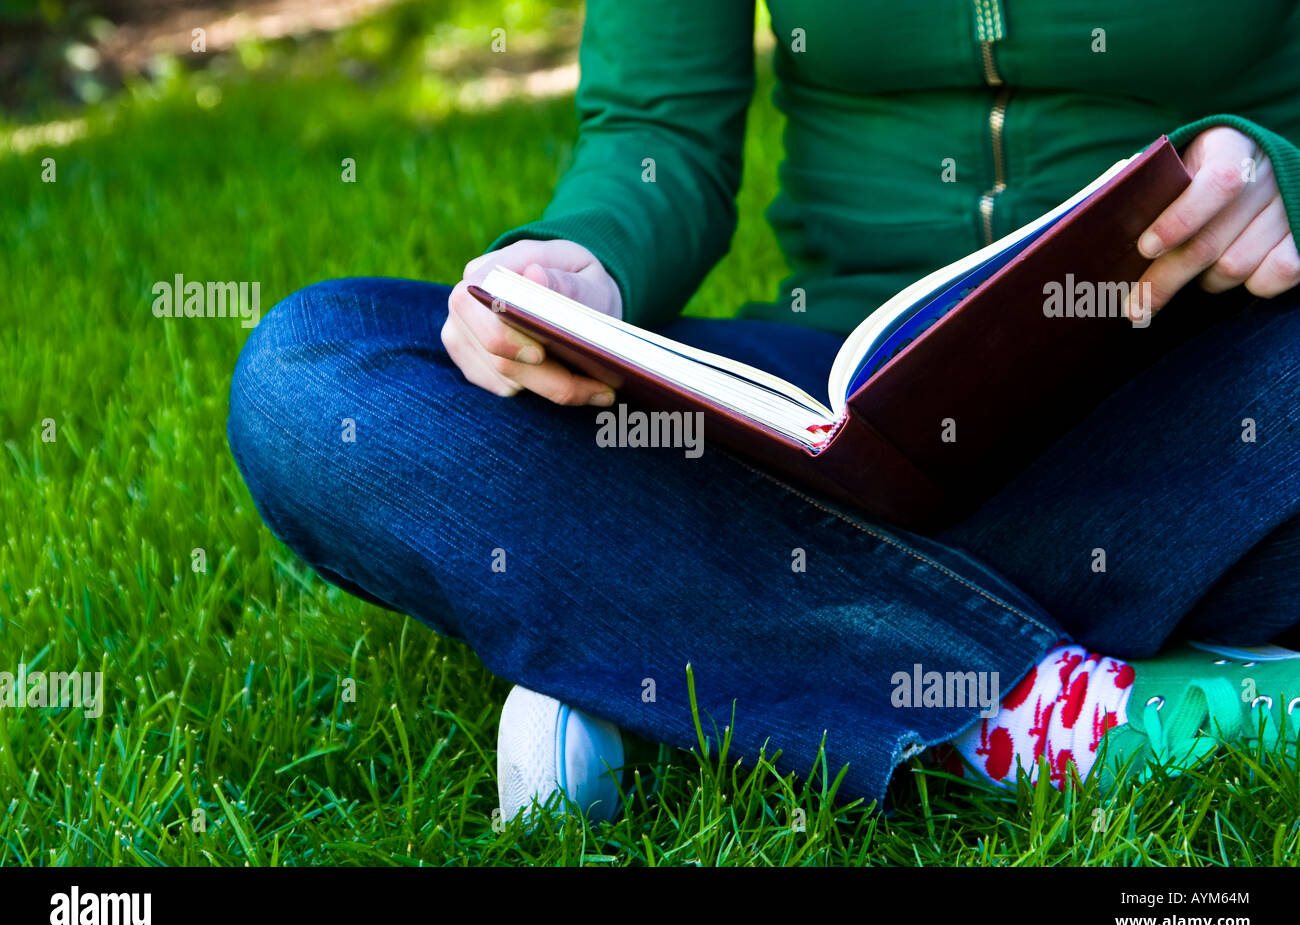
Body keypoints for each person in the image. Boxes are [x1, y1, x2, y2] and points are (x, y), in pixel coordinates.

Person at [227, 1, 1300, 823]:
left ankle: (691, 654)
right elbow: (658, 137)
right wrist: (579, 268)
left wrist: (1283, 176)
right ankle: (1058, 711)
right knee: (314, 372)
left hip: (1196, 392)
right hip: (826, 388)